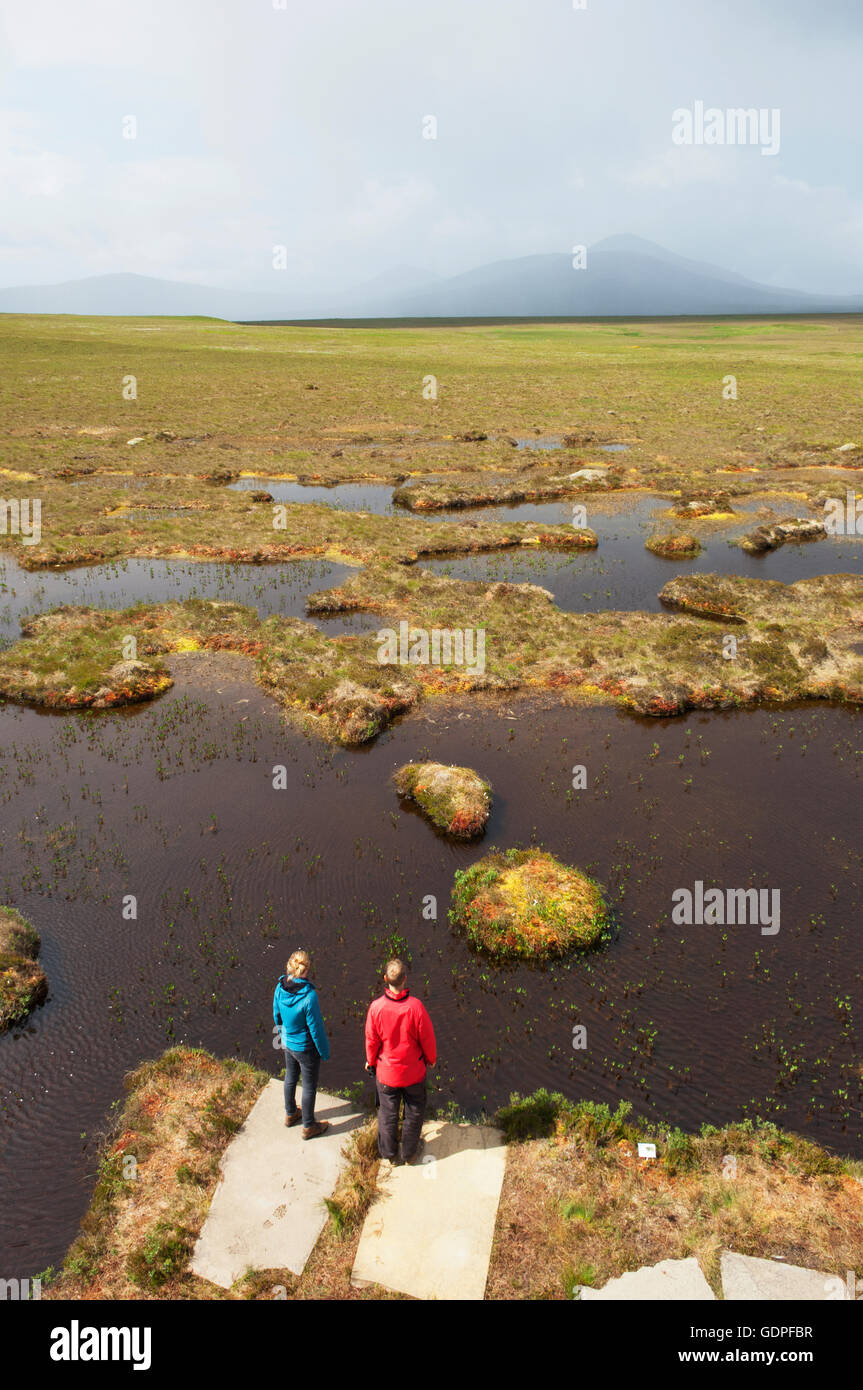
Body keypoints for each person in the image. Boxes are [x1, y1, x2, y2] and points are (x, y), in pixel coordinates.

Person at [364, 958, 436, 1166]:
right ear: (405, 979)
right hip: (413, 1074)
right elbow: (428, 1039)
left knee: (387, 1114)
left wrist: (370, 1062)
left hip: (386, 1074)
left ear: (386, 980)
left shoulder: (376, 1007)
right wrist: (430, 1060)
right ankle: (409, 1154)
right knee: (414, 1113)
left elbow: (371, 1040)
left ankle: (389, 1154)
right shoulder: (416, 1008)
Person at [273, 949, 330, 1139]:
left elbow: (277, 1015)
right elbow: (316, 1029)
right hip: (305, 1048)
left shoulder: (280, 988)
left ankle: (291, 1114)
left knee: (290, 1077)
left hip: (288, 1043)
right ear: (307, 970)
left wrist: (282, 1034)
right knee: (309, 1086)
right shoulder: (309, 996)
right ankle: (308, 1126)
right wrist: (324, 1051)